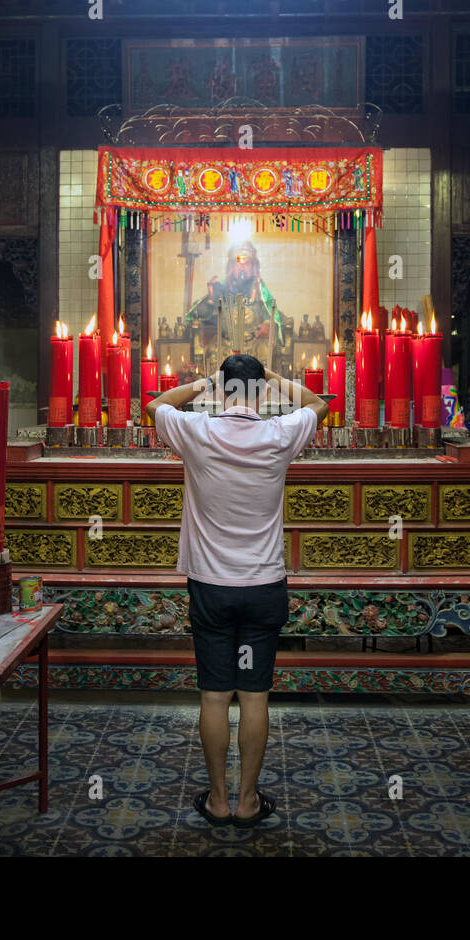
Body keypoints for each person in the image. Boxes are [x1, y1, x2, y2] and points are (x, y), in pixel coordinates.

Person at [145, 353, 328, 827]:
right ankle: (248, 801)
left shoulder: (197, 432)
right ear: (262, 394)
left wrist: (205, 382)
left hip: (211, 588)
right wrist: (273, 379)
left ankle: (219, 801)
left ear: (219, 391)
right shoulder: (279, 434)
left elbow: (155, 404)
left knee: (213, 696)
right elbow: (321, 405)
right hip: (264, 587)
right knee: (254, 697)